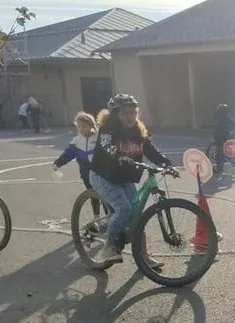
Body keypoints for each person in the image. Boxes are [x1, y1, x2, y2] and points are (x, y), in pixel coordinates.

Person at [88, 94, 172, 265]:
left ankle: (144, 257)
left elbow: (150, 150)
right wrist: (119, 155)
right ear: (115, 114)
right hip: (104, 176)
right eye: (125, 113)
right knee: (124, 209)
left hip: (124, 177)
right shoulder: (108, 130)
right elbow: (107, 145)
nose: (130, 117)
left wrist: (166, 163)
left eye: (133, 113)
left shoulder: (138, 131)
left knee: (136, 216)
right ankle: (110, 246)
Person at [53, 111, 99, 214]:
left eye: (84, 126)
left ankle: (110, 219)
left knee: (106, 198)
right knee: (93, 196)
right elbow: (68, 154)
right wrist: (58, 163)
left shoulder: (99, 138)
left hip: (100, 174)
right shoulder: (77, 141)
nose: (81, 129)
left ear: (91, 125)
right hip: (86, 175)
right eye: (79, 127)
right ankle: (97, 218)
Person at [212, 104, 235, 173]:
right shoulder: (226, 117)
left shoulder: (218, 116)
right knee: (227, 150)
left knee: (222, 150)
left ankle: (224, 166)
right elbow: (232, 121)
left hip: (218, 135)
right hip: (224, 135)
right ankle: (224, 168)